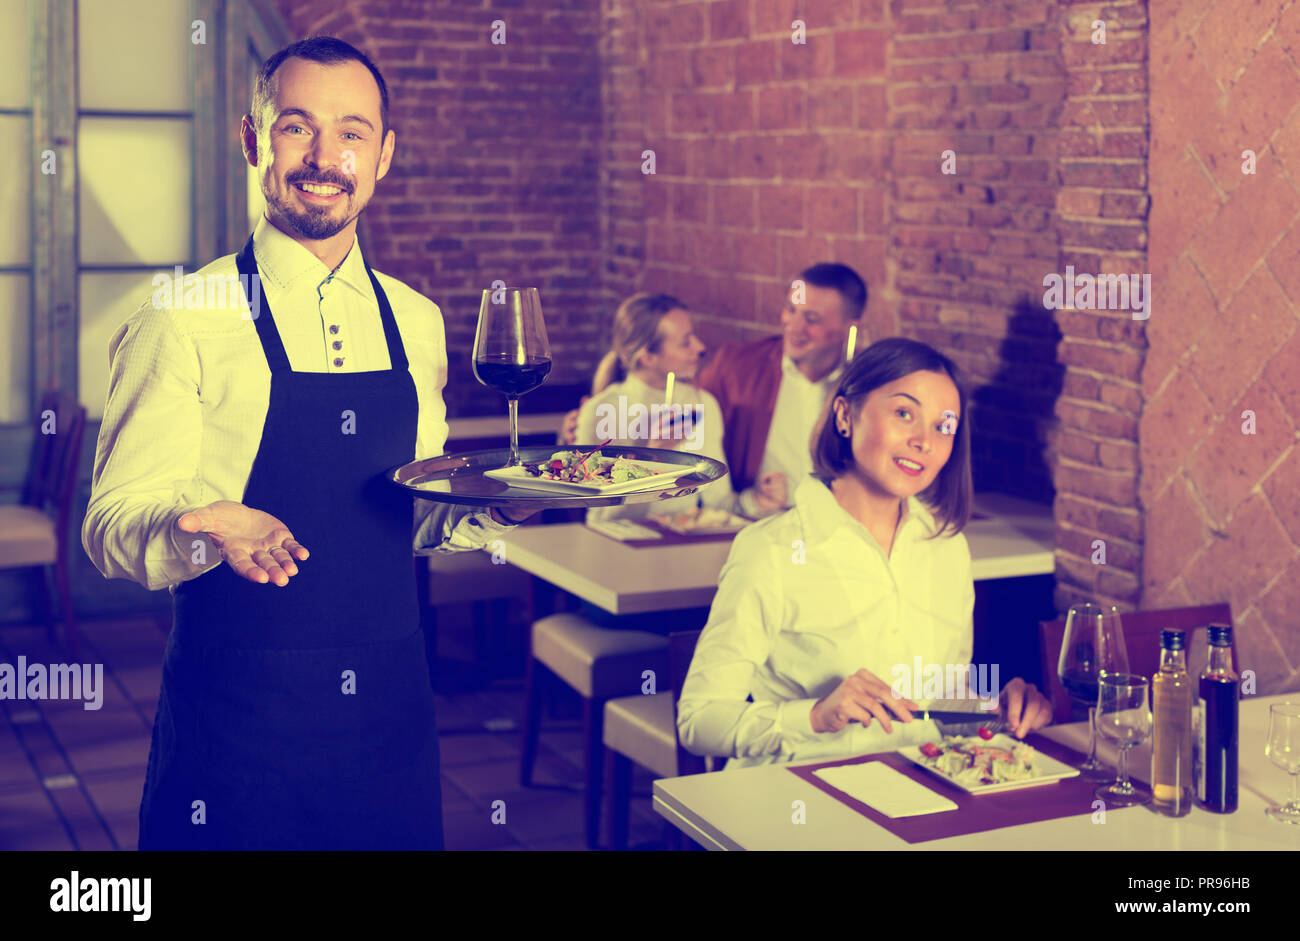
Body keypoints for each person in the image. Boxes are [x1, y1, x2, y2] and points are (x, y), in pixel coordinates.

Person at [81, 37, 538, 850]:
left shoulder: (419, 319)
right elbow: (110, 529)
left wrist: (505, 501)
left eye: (353, 133)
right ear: (253, 139)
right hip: (238, 722)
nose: (327, 157)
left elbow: (417, 516)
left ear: (385, 156)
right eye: (298, 128)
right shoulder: (182, 319)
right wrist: (204, 526)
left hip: (389, 715)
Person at [676, 337, 1053, 768]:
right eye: (904, 414)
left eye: (942, 426)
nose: (923, 441)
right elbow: (699, 722)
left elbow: (936, 703)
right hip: (798, 803)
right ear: (845, 415)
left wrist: (995, 711)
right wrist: (815, 716)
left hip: (917, 797)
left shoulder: (946, 545)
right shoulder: (771, 550)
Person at [695, 262, 867, 519]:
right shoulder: (736, 366)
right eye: (791, 310)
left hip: (836, 528)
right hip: (751, 526)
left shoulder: (866, 385)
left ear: (849, 328)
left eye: (811, 319)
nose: (794, 326)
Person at [575, 293, 734, 522]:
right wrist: (652, 459)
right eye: (685, 342)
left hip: (682, 544)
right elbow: (603, 517)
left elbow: (719, 503)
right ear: (648, 357)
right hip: (619, 547)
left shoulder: (703, 404)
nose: (699, 347)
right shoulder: (601, 411)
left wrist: (758, 500)